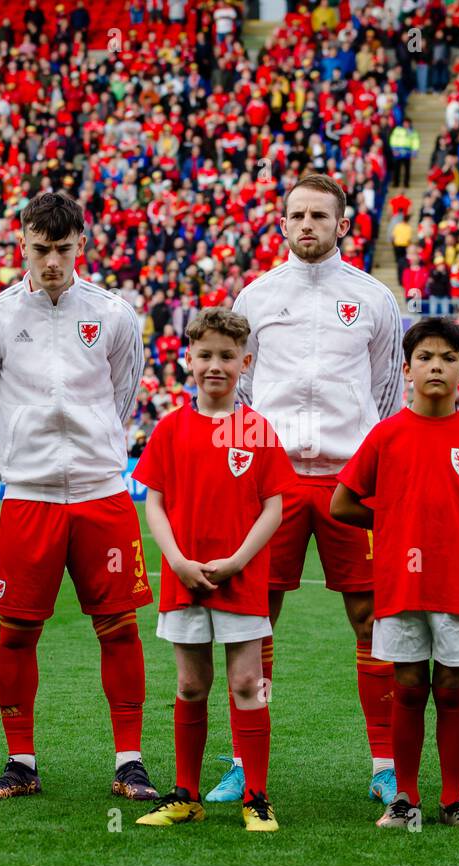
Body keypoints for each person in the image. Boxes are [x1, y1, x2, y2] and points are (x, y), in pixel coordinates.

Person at [217, 171, 404, 806]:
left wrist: (360, 454)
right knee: (253, 619)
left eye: (319, 216)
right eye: (297, 215)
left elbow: (383, 390)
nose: (306, 226)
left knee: (369, 617)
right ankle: (243, 762)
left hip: (349, 482)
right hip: (273, 484)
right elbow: (242, 389)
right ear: (283, 221)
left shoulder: (373, 298)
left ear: (342, 224)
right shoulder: (257, 296)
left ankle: (385, 763)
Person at [0, 191, 158, 802]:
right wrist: (25, 456)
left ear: (83, 245)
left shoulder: (115, 313)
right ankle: (20, 762)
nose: (52, 262)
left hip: (101, 491)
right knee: (17, 632)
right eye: (41, 249)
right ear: (22, 243)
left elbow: (122, 396)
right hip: (30, 495)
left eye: (64, 250)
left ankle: (129, 762)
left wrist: (94, 447)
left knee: (119, 626)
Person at [332, 318, 459, 830]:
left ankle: (452, 800)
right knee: (409, 685)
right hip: (400, 584)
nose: (435, 366)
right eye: (425, 358)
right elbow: (342, 502)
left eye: (447, 358)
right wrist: (397, 518)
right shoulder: (387, 435)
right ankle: (405, 798)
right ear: (406, 369)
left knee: (451, 687)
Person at [132, 307, 295, 831]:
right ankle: (185, 794)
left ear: (245, 362)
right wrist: (177, 560)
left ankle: (257, 796)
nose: (216, 365)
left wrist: (238, 561)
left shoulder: (257, 429)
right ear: (188, 360)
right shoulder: (171, 428)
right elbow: (153, 502)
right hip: (184, 578)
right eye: (205, 355)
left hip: (240, 579)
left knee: (248, 682)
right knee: (190, 684)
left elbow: (274, 505)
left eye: (227, 356)